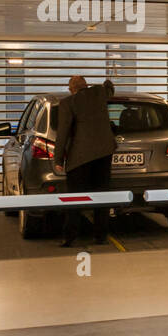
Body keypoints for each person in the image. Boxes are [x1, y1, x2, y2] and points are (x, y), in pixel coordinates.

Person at [54, 75, 116, 247]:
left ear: (71, 89)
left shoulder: (68, 103)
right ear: (86, 85)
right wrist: (108, 81)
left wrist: (58, 159)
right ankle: (100, 236)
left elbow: (63, 133)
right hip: (104, 153)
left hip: (79, 158)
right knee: (102, 196)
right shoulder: (100, 93)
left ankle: (70, 237)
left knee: (75, 198)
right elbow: (110, 88)